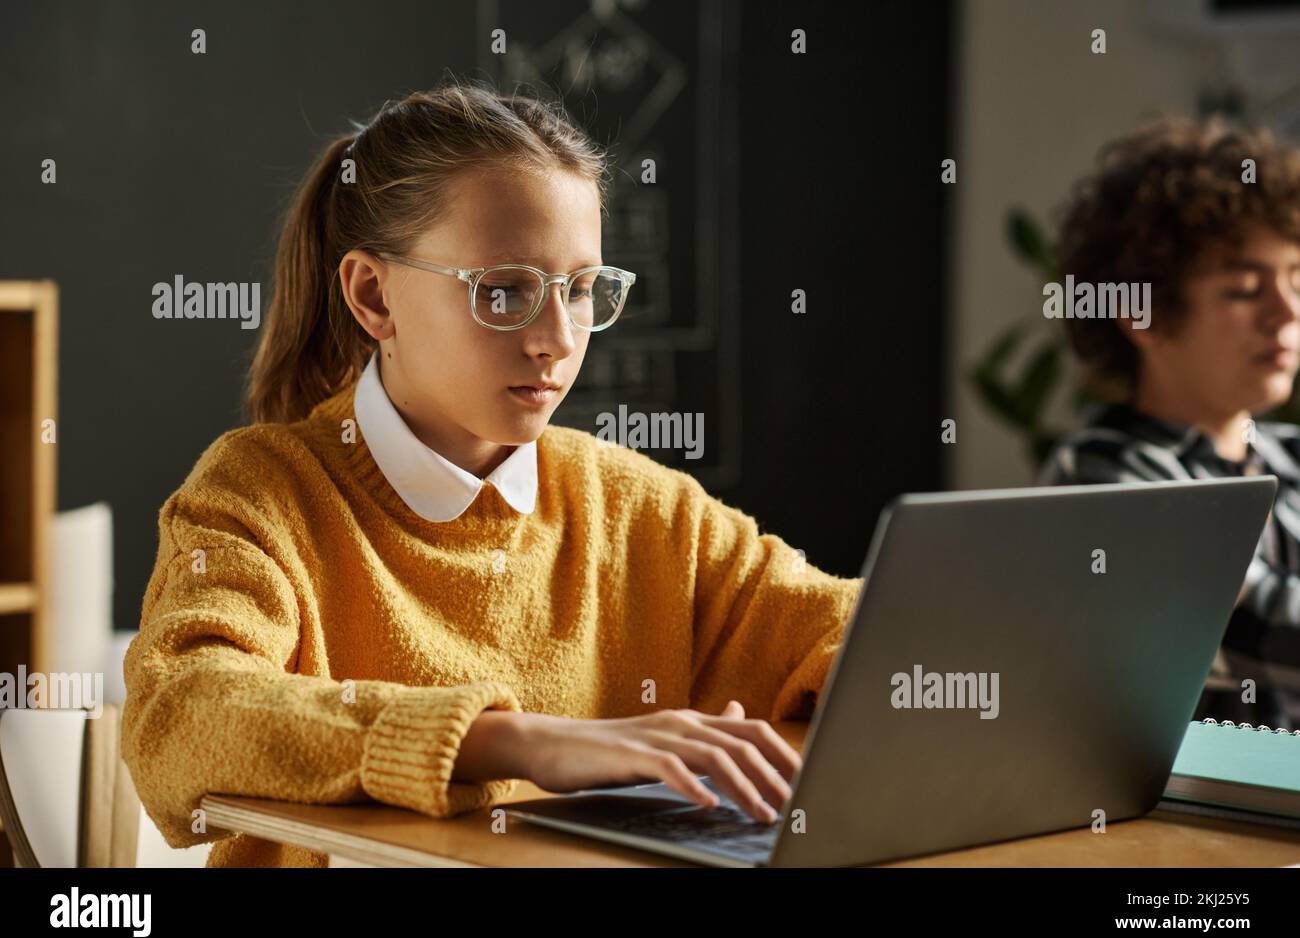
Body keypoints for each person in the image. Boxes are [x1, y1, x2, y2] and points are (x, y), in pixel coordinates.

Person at [120, 79, 863, 867]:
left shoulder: (637, 507)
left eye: (580, 291)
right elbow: (181, 714)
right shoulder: (259, 493)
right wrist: (520, 742)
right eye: (504, 290)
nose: (555, 338)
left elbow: (851, 631)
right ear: (375, 296)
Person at [1038, 115, 1300, 731]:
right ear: (1142, 316)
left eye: (1296, 279)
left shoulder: (1290, 456)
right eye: (1244, 288)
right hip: (1191, 815)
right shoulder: (1104, 475)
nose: (1286, 312)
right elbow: (1255, 628)